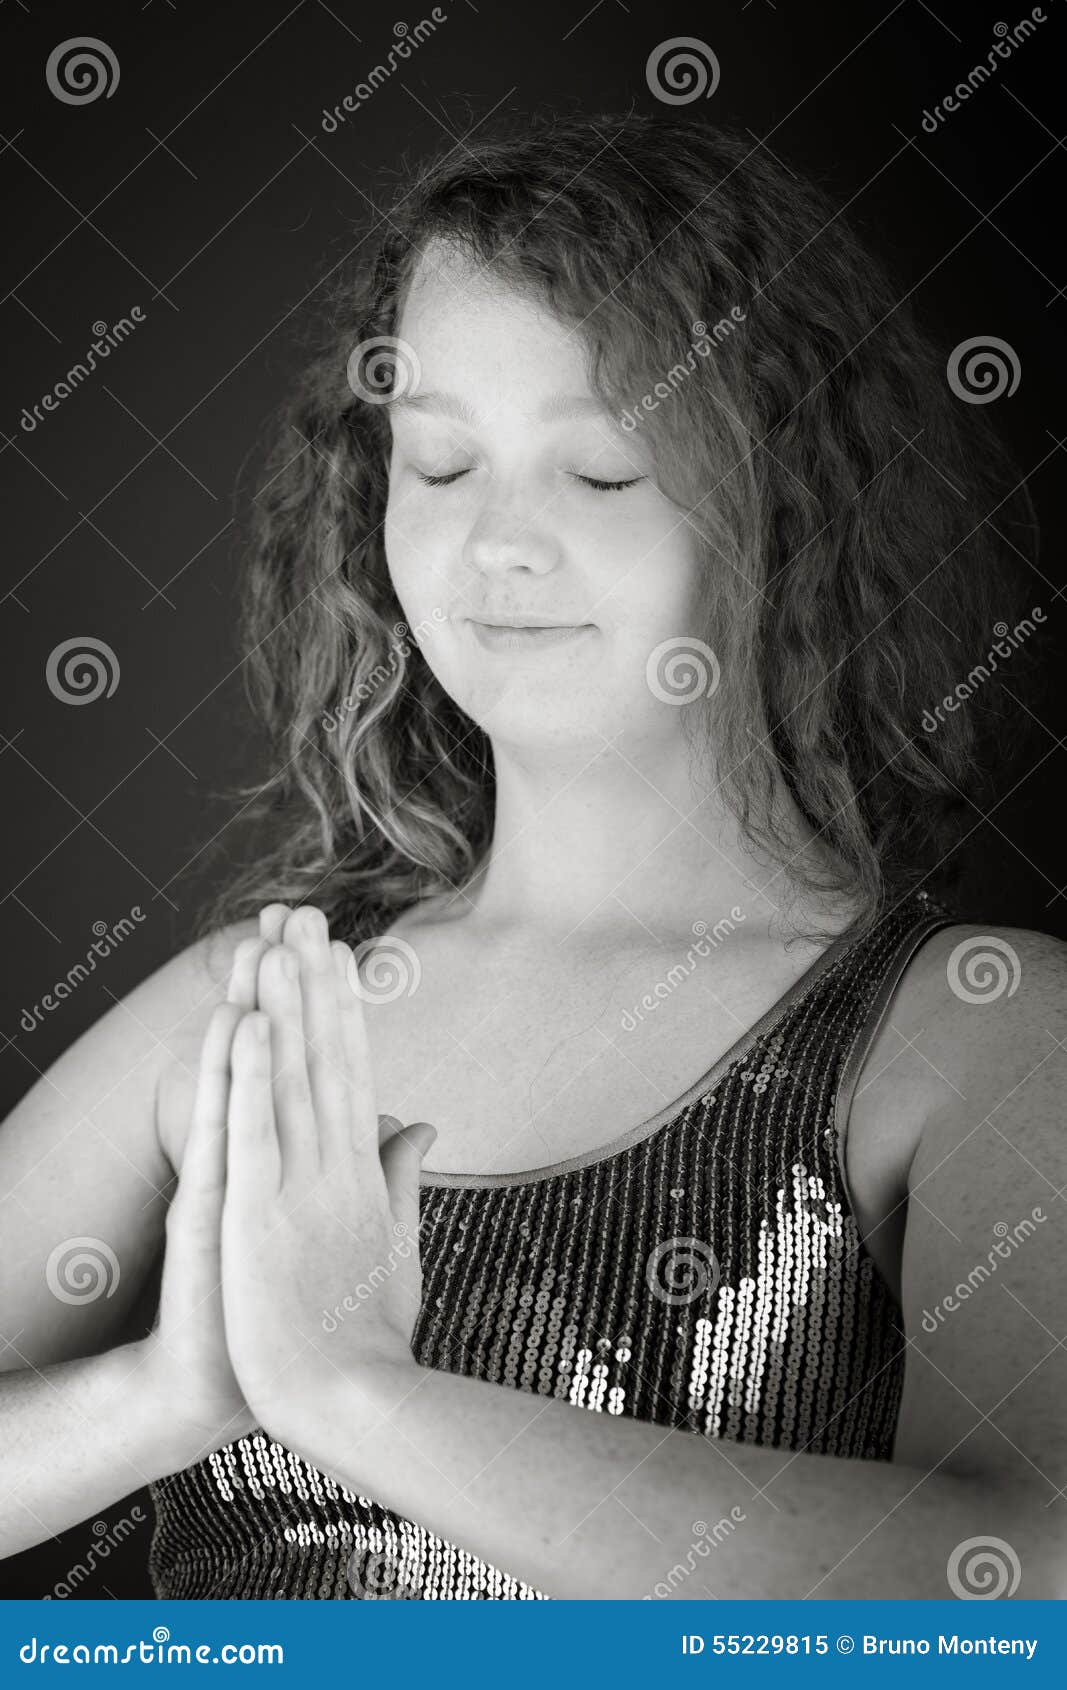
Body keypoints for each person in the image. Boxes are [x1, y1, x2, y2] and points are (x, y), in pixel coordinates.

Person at [1, 112, 1064, 1603]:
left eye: (605, 472)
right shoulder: (259, 1008)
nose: (496, 543)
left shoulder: (978, 1028)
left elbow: (1021, 1578)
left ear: (786, 502)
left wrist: (352, 1390)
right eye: (441, 464)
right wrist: (171, 1393)